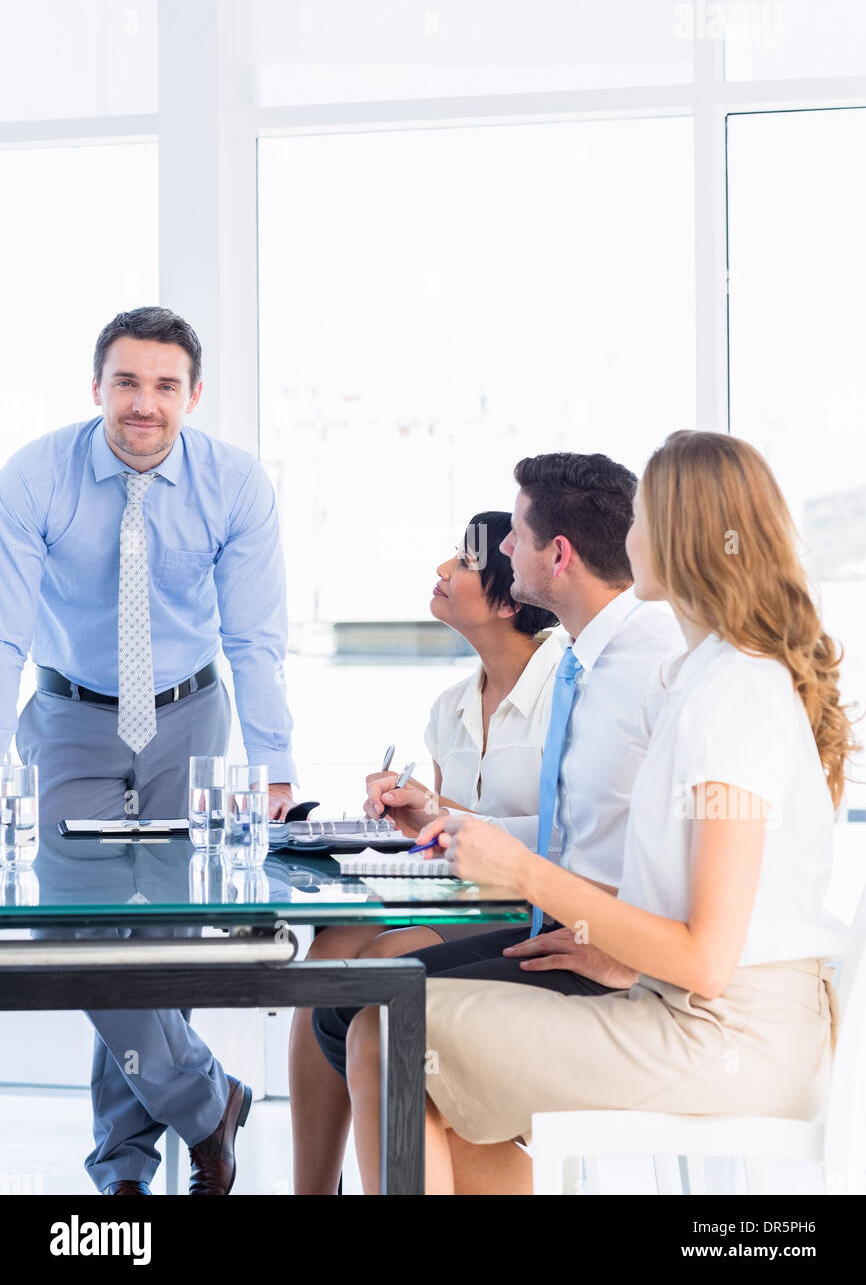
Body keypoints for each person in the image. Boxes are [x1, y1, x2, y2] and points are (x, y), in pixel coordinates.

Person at [347, 430, 855, 1194]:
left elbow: (708, 960)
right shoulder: (703, 675)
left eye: (641, 517)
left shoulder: (731, 694)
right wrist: (611, 939)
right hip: (689, 1008)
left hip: (726, 1037)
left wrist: (524, 873)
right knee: (390, 1023)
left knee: (389, 1029)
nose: (626, 537)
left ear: (678, 538)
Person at [312, 450, 685, 1190]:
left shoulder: (654, 668)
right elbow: (568, 837)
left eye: (512, 533)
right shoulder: (589, 662)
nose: (502, 548)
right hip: (564, 927)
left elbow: (701, 848)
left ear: (560, 553)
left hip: (614, 952)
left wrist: (629, 952)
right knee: (342, 1006)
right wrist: (448, 820)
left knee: (378, 1022)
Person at [0, 306, 298, 1195]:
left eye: (165, 385)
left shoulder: (236, 485)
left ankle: (123, 1170)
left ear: (193, 395)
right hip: (72, 721)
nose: (144, 404)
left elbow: (255, 639)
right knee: (85, 941)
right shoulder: (34, 477)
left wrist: (275, 764)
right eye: (126, 382)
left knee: (162, 943)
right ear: (97, 388)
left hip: (190, 723)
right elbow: (5, 636)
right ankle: (211, 1107)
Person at [290, 511, 560, 1194]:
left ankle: (429, 1145)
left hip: (540, 906)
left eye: (463, 564)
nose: (442, 570)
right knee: (327, 953)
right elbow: (461, 829)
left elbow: (569, 832)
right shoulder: (450, 706)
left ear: (509, 597)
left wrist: (447, 819)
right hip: (473, 896)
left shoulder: (568, 688)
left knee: (382, 963)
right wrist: (424, 816)